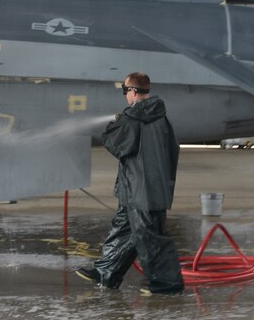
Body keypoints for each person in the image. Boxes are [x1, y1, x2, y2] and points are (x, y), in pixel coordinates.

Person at [75, 72, 184, 295]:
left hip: (142, 189)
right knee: (123, 229)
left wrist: (112, 127)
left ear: (133, 91)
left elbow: (117, 145)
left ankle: (168, 284)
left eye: (125, 90)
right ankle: (106, 272)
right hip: (141, 187)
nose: (125, 95)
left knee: (149, 236)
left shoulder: (133, 118)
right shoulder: (161, 117)